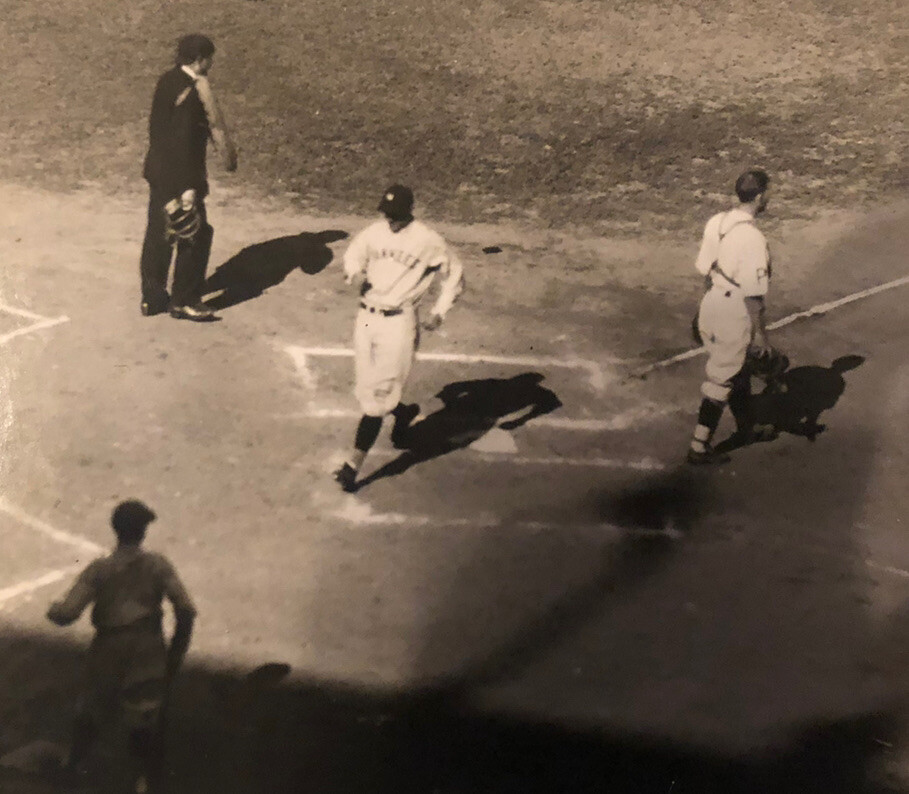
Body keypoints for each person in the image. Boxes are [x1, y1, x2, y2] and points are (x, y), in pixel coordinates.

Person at [47, 500, 197, 794]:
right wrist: (176, 650)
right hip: (148, 647)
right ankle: (141, 784)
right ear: (143, 532)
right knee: (144, 715)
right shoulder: (158, 565)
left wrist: (53, 610)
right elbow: (187, 609)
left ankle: (73, 768)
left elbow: (67, 614)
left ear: (115, 529)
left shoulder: (100, 569)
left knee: (91, 709)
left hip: (109, 647)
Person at [333, 184, 465, 492]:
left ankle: (353, 466)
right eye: (387, 214)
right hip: (365, 320)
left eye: (396, 216)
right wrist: (353, 271)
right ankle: (404, 413)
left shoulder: (428, 241)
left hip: (398, 325)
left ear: (409, 212)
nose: (390, 221)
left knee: (376, 401)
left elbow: (455, 275)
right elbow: (355, 252)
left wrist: (439, 310)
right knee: (368, 388)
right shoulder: (375, 232)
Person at [139, 33, 238, 321]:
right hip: (180, 177)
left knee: (158, 235)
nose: (211, 65)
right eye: (209, 59)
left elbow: (160, 134)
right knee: (195, 235)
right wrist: (187, 188)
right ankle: (185, 300)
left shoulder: (167, 80)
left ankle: (152, 298)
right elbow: (183, 144)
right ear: (199, 60)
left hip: (158, 173)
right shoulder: (193, 92)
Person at [687, 168, 779, 465]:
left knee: (737, 373)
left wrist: (706, 308)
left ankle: (746, 429)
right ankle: (699, 447)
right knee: (721, 380)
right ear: (761, 196)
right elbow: (754, 297)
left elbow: (705, 269)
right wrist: (763, 336)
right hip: (733, 313)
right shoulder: (753, 238)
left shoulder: (718, 222)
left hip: (711, 304)